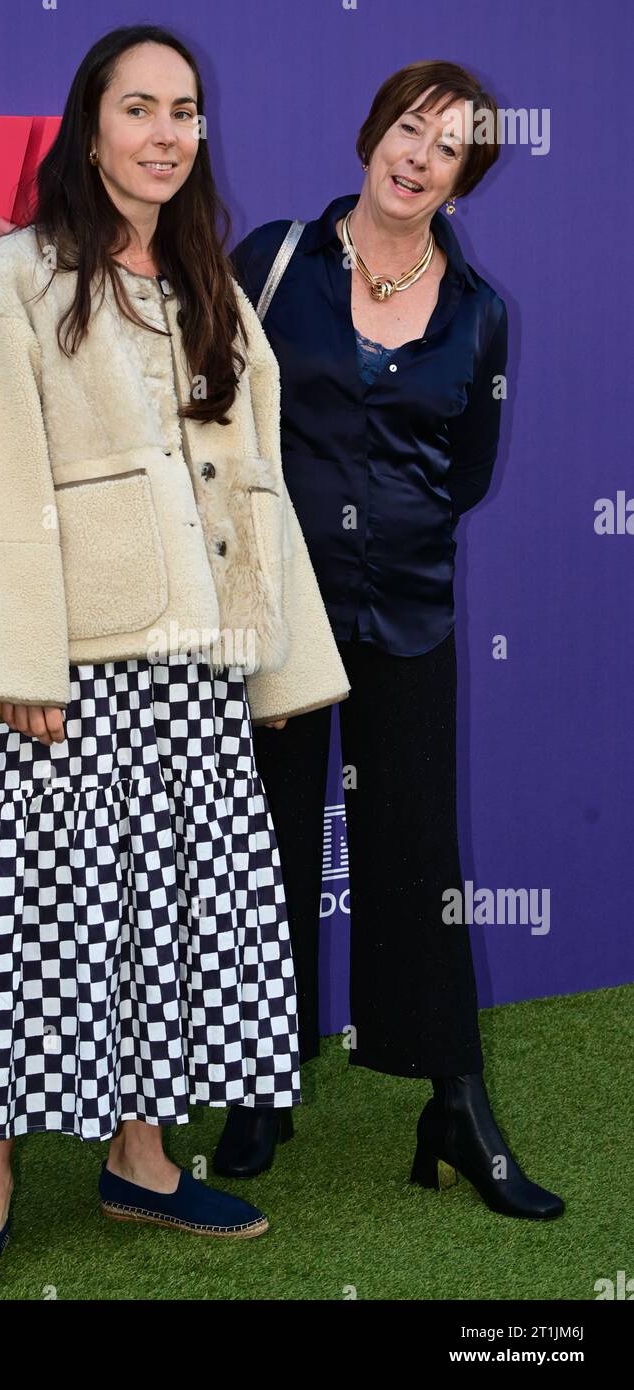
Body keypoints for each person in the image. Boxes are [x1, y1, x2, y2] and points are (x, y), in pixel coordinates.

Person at [0, 24, 350, 1299]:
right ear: (87, 125)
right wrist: (10, 665)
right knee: (13, 916)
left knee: (162, 916)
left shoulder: (206, 278)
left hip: (192, 668)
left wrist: (263, 653)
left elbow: (253, 485)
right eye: (139, 107)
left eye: (185, 111)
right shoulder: (14, 279)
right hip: (65, 671)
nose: (164, 133)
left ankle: (139, 1160)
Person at [217, 60, 564, 1221]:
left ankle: (455, 1104)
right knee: (255, 842)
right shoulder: (272, 262)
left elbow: (463, 474)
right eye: (409, 128)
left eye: (448, 146)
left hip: (405, 612)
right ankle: (258, 1083)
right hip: (271, 609)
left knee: (420, 853)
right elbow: (209, 417)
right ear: (373, 132)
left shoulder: (481, 311)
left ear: (465, 178)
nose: (418, 155)